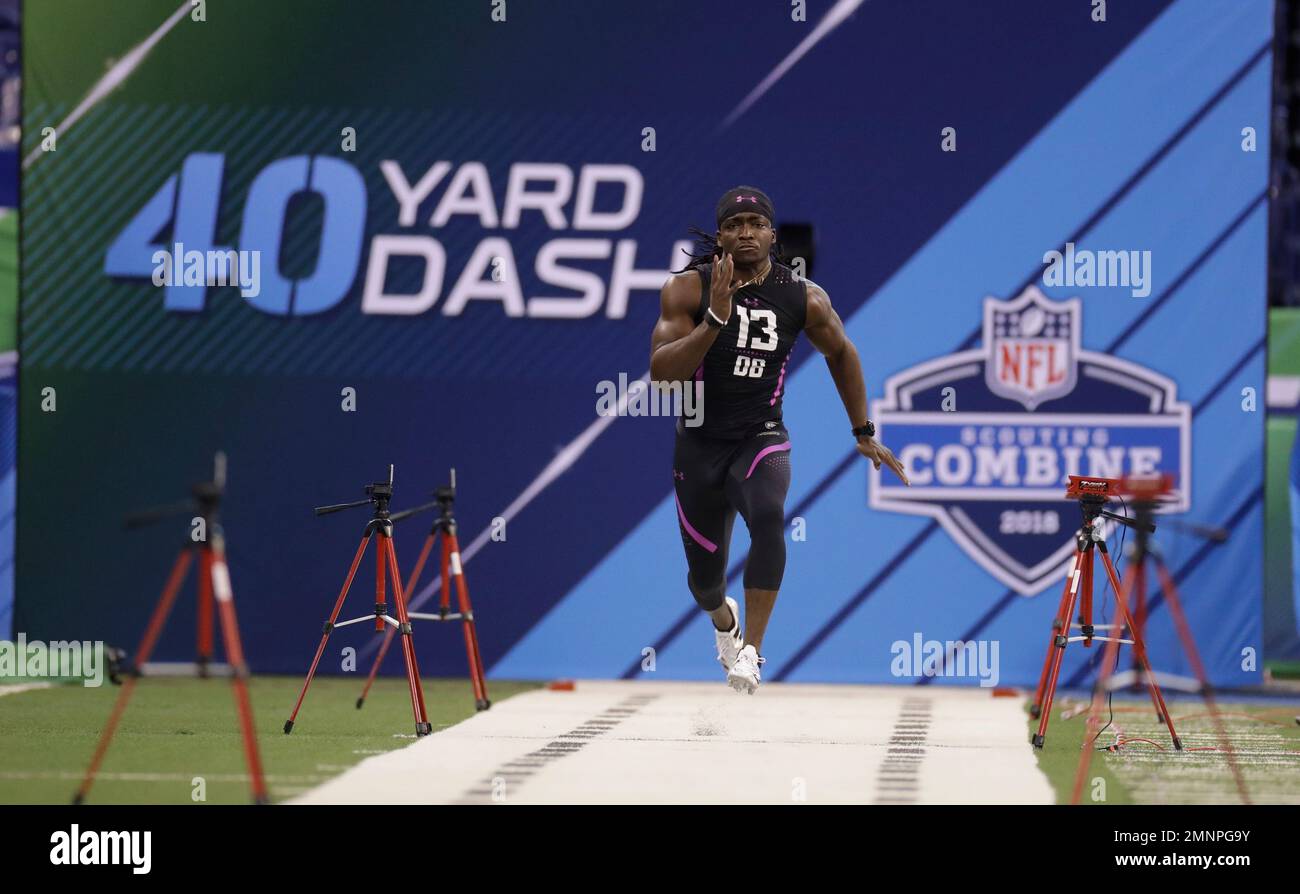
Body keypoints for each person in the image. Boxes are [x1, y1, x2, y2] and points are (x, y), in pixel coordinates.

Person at [649, 186, 909, 693]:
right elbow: (661, 377)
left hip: (760, 435)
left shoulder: (802, 295)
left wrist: (863, 432)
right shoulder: (686, 289)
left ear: (772, 233)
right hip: (699, 444)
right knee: (704, 582)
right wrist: (714, 321)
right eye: (734, 224)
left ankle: (754, 652)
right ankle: (725, 623)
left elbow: (842, 353)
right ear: (720, 235)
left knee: (769, 515)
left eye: (756, 222)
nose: (746, 231)